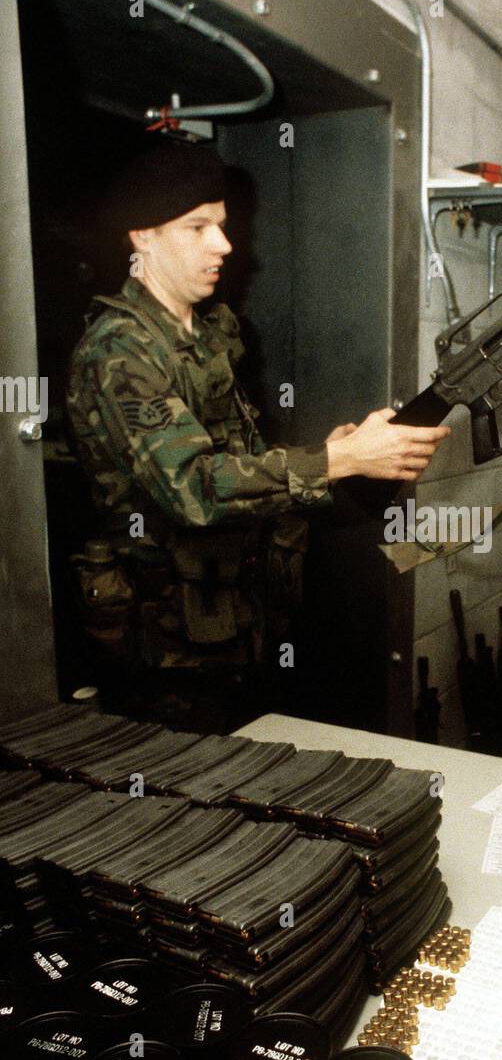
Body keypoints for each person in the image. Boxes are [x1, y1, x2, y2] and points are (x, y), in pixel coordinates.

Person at [66, 140, 449, 729]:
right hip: (165, 649)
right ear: (143, 237)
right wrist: (336, 459)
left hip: (235, 622)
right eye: (197, 227)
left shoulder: (208, 334)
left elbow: (241, 464)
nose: (223, 244)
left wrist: (347, 459)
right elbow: (194, 488)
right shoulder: (119, 350)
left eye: (221, 226)